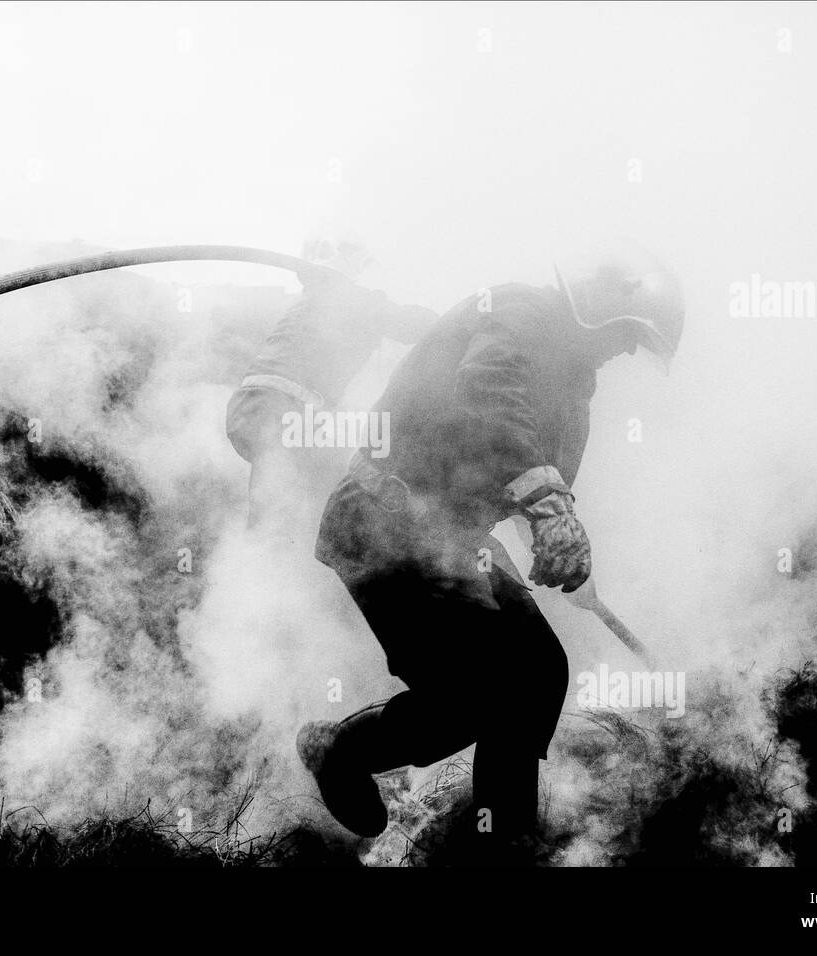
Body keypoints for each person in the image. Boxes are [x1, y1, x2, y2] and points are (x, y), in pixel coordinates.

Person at [298, 240, 684, 863]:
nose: (625, 351)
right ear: (600, 303)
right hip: (385, 515)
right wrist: (550, 507)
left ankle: (503, 844)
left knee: (537, 672)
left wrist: (560, 546)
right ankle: (352, 759)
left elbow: (524, 470)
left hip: (454, 537)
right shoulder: (520, 313)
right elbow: (489, 396)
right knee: (491, 687)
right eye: (627, 333)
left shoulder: (571, 387)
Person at [225, 232, 435, 535]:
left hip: (249, 409)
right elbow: (411, 323)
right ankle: (269, 555)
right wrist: (456, 321)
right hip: (284, 411)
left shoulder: (307, 303)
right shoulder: (352, 299)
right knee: (288, 505)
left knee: (278, 494)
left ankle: (263, 549)